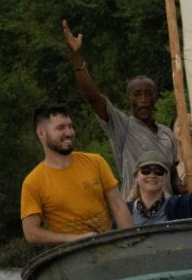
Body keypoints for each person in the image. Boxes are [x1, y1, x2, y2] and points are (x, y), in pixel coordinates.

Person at [62, 19, 180, 199]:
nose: (143, 100)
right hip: (135, 211)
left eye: (148, 94)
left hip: (166, 212)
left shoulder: (167, 134)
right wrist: (77, 60)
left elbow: (173, 178)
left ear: (155, 97)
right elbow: (94, 99)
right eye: (137, 94)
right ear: (128, 98)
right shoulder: (122, 127)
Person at [20, 104, 134, 244]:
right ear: (41, 134)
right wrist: (76, 240)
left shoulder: (96, 161)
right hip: (70, 258)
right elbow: (31, 234)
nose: (69, 132)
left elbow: (118, 206)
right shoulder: (33, 182)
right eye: (61, 128)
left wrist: (131, 243)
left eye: (70, 126)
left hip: (108, 249)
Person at [127, 123, 192, 226]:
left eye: (159, 171)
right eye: (146, 170)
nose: (152, 175)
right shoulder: (124, 212)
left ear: (165, 177)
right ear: (136, 175)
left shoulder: (178, 207)